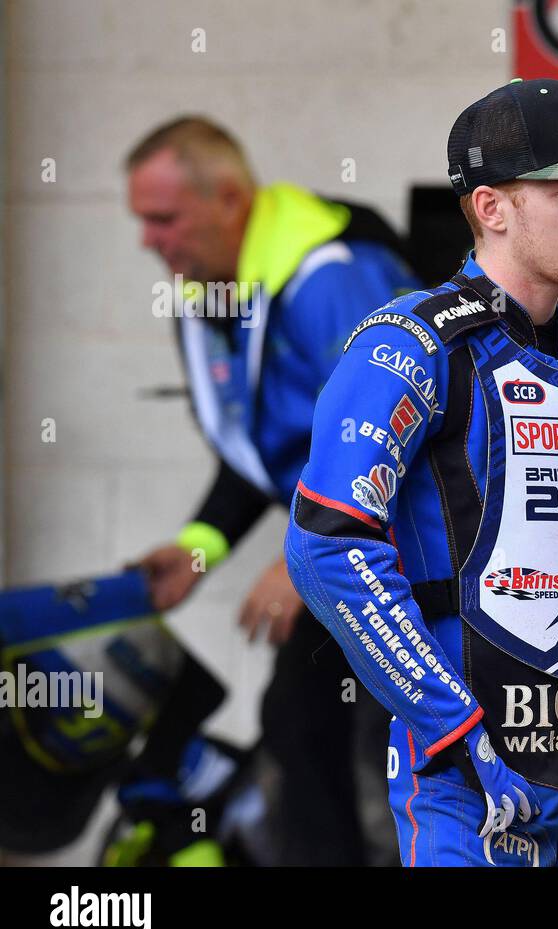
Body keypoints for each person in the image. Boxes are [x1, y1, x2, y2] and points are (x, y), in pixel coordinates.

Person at [284, 79, 558, 866]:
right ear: (491, 208)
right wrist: (449, 724)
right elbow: (326, 547)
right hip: (467, 782)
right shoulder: (410, 345)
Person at [126, 116, 420, 865]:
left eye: (163, 218)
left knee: (348, 748)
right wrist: (198, 550)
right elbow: (267, 451)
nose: (148, 240)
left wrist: (308, 557)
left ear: (229, 197)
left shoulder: (333, 278)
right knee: (299, 727)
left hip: (402, 560)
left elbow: (399, 434)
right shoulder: (218, 294)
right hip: (341, 557)